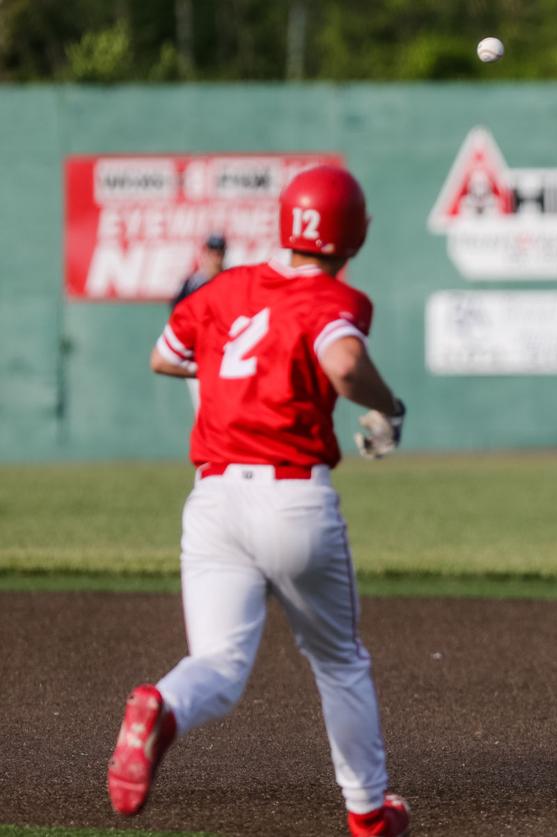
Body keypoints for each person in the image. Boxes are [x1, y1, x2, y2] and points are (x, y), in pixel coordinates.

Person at [107, 165, 412, 836]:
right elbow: (344, 365)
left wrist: (228, 367)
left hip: (213, 500)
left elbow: (164, 357)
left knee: (216, 663)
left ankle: (160, 704)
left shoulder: (224, 289)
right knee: (338, 659)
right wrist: (389, 406)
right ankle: (367, 810)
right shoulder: (332, 297)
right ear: (352, 236)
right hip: (292, 498)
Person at [171, 233, 227, 413]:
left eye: (218, 251)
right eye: (212, 251)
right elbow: (177, 316)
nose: (215, 256)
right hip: (199, 355)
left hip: (225, 355)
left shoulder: (230, 280)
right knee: (204, 409)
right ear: (204, 252)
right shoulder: (192, 283)